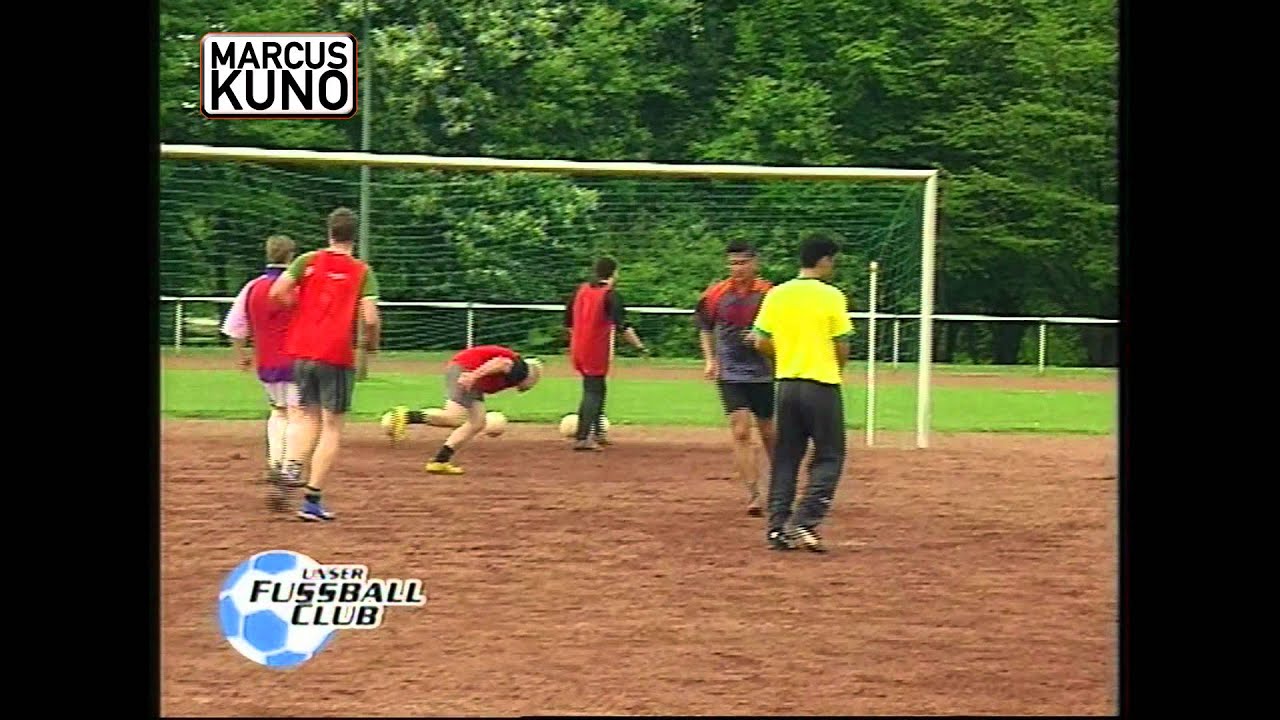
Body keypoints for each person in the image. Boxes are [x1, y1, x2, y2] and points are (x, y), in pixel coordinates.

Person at [268, 207, 382, 522]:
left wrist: (298, 309)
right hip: (336, 355)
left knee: (307, 418)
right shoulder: (362, 271)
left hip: (302, 352)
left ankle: (290, 468)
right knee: (332, 426)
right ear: (354, 236)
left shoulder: (307, 261)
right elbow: (370, 319)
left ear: (329, 231)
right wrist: (371, 345)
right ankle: (312, 500)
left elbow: (277, 292)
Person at [749, 232, 853, 552]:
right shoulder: (831, 296)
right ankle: (805, 520)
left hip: (786, 384)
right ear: (823, 260)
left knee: (786, 457)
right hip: (820, 383)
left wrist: (781, 357)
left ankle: (777, 526)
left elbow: (758, 339)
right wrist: (835, 367)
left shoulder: (777, 294)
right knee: (830, 455)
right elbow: (842, 344)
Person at [694, 240, 776, 516]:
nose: (737, 268)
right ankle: (754, 493)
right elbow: (705, 328)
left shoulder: (770, 294)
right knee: (741, 431)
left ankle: (780, 486)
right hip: (730, 372)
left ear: (755, 263)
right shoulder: (716, 294)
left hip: (764, 372)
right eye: (733, 263)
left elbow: (784, 327)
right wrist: (710, 359)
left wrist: (766, 342)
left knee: (769, 432)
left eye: (743, 263)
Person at [384, 344, 544, 475]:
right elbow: (500, 363)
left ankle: (441, 461)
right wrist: (473, 376)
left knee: (477, 422)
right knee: (454, 417)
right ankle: (406, 416)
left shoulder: (514, 377)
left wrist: (474, 377)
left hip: (470, 374)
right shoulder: (520, 370)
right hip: (466, 370)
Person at [220, 235, 302, 485]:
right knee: (298, 415)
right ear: (291, 256)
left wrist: (242, 355)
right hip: (299, 360)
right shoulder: (299, 286)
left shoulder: (252, 287)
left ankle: (275, 462)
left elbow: (234, 328)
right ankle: (290, 467)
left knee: (277, 412)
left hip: (266, 362)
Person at [564, 257, 648, 451]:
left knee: (597, 388)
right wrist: (639, 346)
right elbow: (623, 326)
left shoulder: (580, 290)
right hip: (595, 349)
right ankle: (583, 436)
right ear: (614, 273)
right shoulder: (610, 295)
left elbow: (568, 321)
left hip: (578, 347)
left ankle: (597, 432)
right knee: (593, 391)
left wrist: (578, 340)